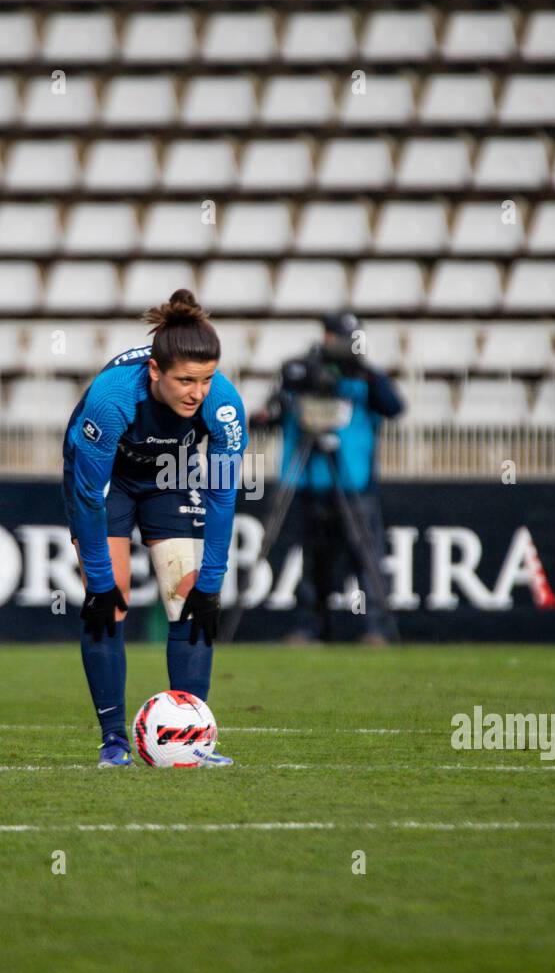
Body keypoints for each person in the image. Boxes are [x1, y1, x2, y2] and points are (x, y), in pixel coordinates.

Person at [62, 289, 248, 766]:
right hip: (110, 482)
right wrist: (101, 583)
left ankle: (192, 741)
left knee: (189, 601)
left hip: (172, 471)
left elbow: (223, 493)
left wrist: (211, 583)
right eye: (185, 380)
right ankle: (113, 742)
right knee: (111, 602)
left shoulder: (224, 406)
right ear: (154, 372)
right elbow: (88, 496)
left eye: (206, 379)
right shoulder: (111, 399)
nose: (197, 392)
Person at [251, 312, 404, 645]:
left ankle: (376, 629)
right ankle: (311, 628)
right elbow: (268, 416)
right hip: (310, 481)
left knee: (366, 556)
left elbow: (394, 407)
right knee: (314, 562)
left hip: (354, 482)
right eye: (336, 336)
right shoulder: (301, 370)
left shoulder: (364, 377)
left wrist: (365, 374)